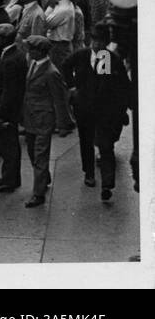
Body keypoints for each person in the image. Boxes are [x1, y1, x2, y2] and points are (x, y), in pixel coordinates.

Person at [61, 21, 131, 202]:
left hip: (104, 111)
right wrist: (72, 87)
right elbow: (65, 66)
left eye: (101, 42)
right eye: (95, 41)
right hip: (84, 108)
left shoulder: (111, 60)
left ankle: (107, 184)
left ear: (106, 43)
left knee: (105, 146)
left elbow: (122, 87)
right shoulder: (81, 55)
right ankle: (89, 173)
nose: (97, 45)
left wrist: (120, 111)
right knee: (86, 142)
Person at [21, 34, 74, 208]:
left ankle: (38, 194)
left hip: (44, 119)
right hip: (30, 117)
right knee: (31, 152)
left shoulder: (51, 73)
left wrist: (63, 124)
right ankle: (44, 178)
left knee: (40, 155)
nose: (28, 52)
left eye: (31, 49)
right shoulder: (33, 65)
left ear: (39, 51)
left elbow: (60, 100)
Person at [0, 23, 28, 194]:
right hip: (12, 110)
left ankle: (9, 180)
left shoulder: (10, 60)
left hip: (7, 112)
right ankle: (9, 176)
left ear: (3, 39)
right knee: (10, 146)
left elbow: (8, 91)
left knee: (8, 147)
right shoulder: (15, 54)